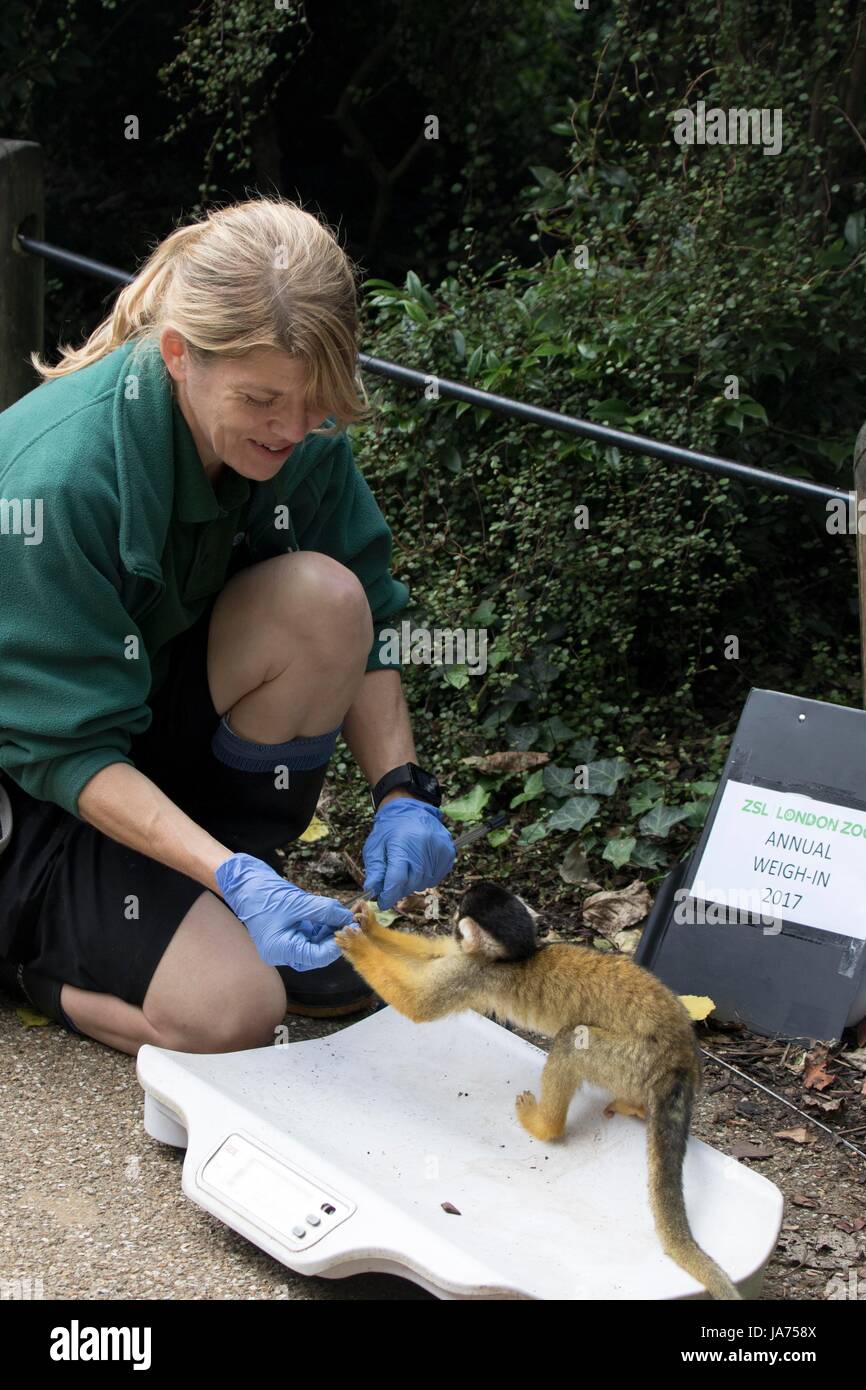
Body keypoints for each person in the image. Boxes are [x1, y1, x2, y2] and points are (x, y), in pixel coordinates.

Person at [0, 196, 455, 1057]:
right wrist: (226, 875)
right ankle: (27, 962)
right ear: (179, 355)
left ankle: (230, 894)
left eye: (315, 401)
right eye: (262, 400)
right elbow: (65, 753)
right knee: (234, 1014)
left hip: (130, 740)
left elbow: (367, 605)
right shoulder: (58, 485)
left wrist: (402, 791)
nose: (293, 429)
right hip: (32, 797)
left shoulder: (298, 433)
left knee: (326, 601)